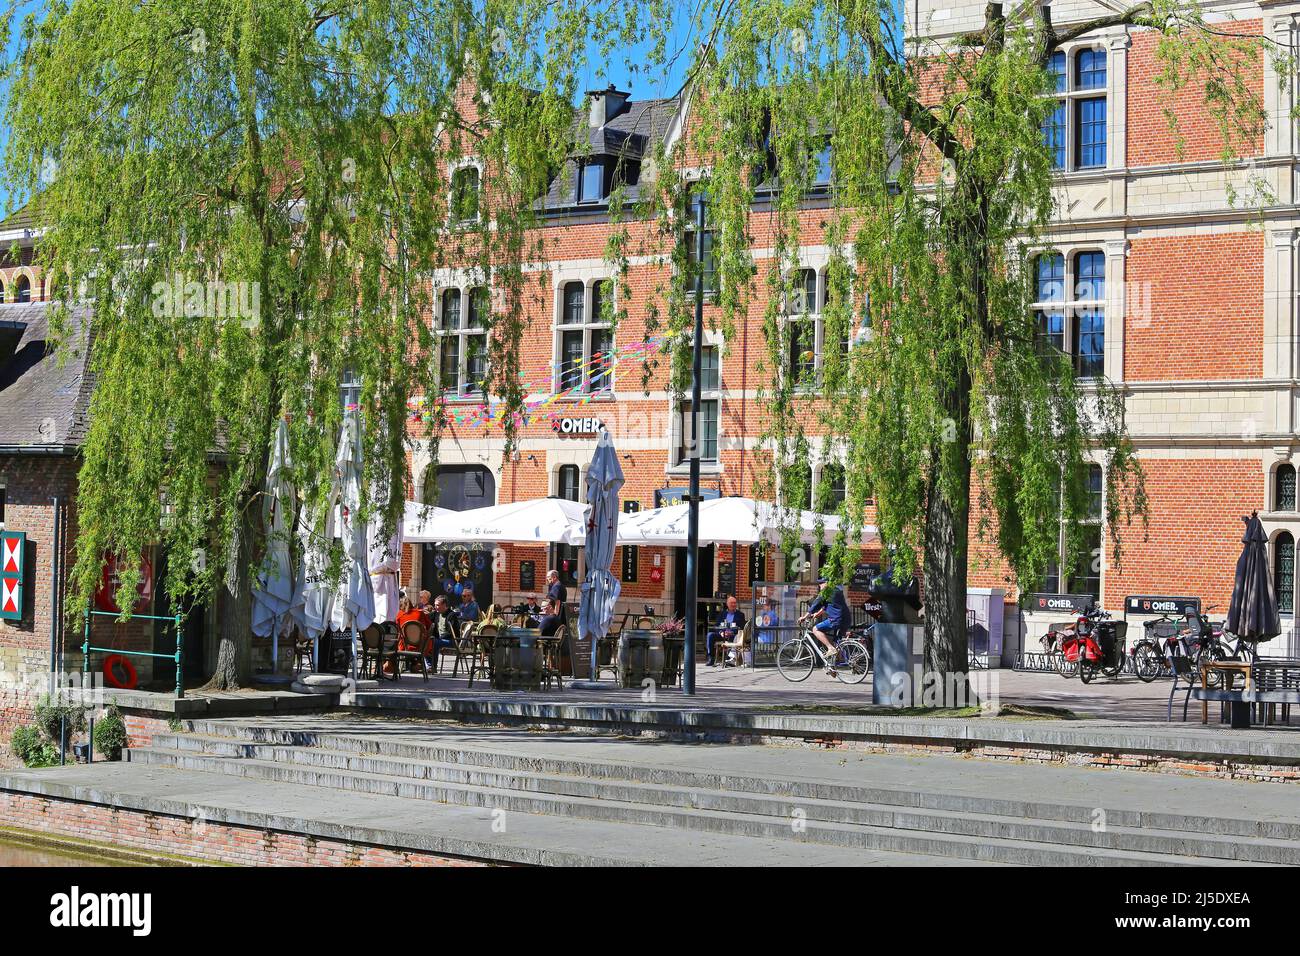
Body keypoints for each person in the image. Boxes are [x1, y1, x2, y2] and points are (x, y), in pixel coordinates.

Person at [801, 577, 851, 669]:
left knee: (815, 629)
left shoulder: (825, 592)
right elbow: (827, 606)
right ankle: (834, 667)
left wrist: (804, 617)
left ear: (827, 583)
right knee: (837, 643)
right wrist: (817, 614)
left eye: (821, 583)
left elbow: (815, 604)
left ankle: (830, 648)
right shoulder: (837, 591)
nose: (820, 586)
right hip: (846, 619)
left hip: (836, 619)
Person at [706, 594, 747, 666]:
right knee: (710, 635)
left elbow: (742, 628)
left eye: (735, 603)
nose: (734, 604)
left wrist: (731, 632)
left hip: (733, 635)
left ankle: (730, 658)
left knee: (736, 637)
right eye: (732, 603)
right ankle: (711, 658)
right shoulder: (722, 614)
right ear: (727, 604)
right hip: (722, 634)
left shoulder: (740, 614)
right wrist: (721, 632)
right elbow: (717, 625)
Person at [428, 594, 460, 670]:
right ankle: (427, 664)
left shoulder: (451, 615)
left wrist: (438, 638)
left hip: (452, 640)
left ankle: (433, 666)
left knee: (434, 642)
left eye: (438, 605)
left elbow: (450, 633)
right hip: (440, 639)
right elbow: (426, 618)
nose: (435, 607)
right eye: (435, 605)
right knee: (426, 642)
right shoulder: (436, 613)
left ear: (444, 605)